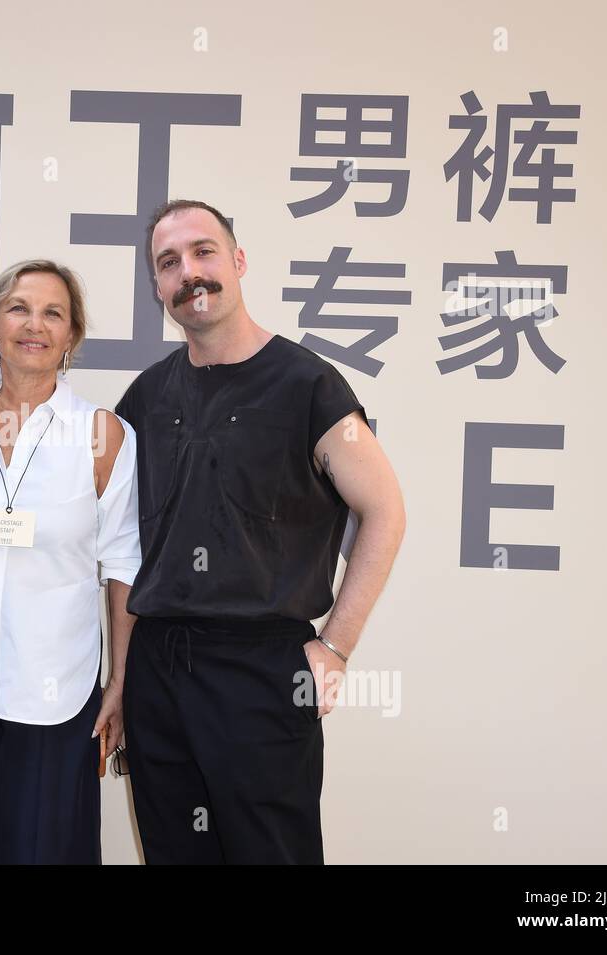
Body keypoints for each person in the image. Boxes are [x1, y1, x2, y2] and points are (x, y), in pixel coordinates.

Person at [113, 199, 406, 864]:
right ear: (157, 286)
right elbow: (127, 550)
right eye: (169, 263)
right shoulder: (147, 398)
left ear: (238, 261)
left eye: (203, 251)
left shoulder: (309, 385)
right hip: (161, 667)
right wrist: (126, 676)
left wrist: (335, 648)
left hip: (263, 670)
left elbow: (386, 509)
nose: (190, 272)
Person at [0, 260, 141, 864]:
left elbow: (123, 566)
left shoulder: (102, 434)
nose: (33, 325)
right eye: (18, 308)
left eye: (52, 313)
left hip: (55, 699)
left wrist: (119, 681)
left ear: (71, 337)